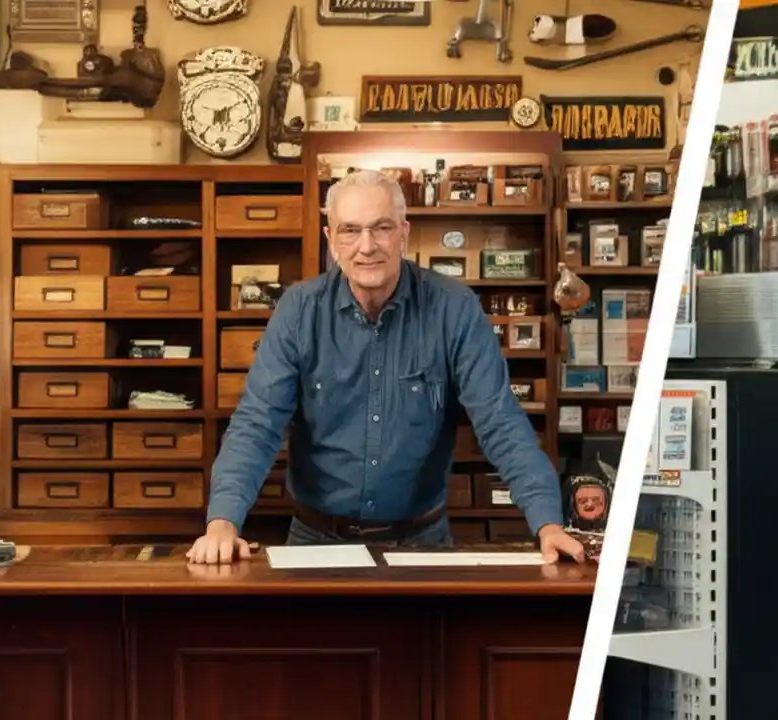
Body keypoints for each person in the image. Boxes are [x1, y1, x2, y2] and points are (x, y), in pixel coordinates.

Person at [187, 169, 585, 566]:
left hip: (422, 543)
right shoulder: (299, 311)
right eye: (350, 230)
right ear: (331, 240)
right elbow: (258, 422)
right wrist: (223, 521)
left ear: (404, 233)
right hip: (316, 541)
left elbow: (499, 420)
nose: (367, 246)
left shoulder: (454, 308)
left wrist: (547, 522)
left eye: (381, 228)